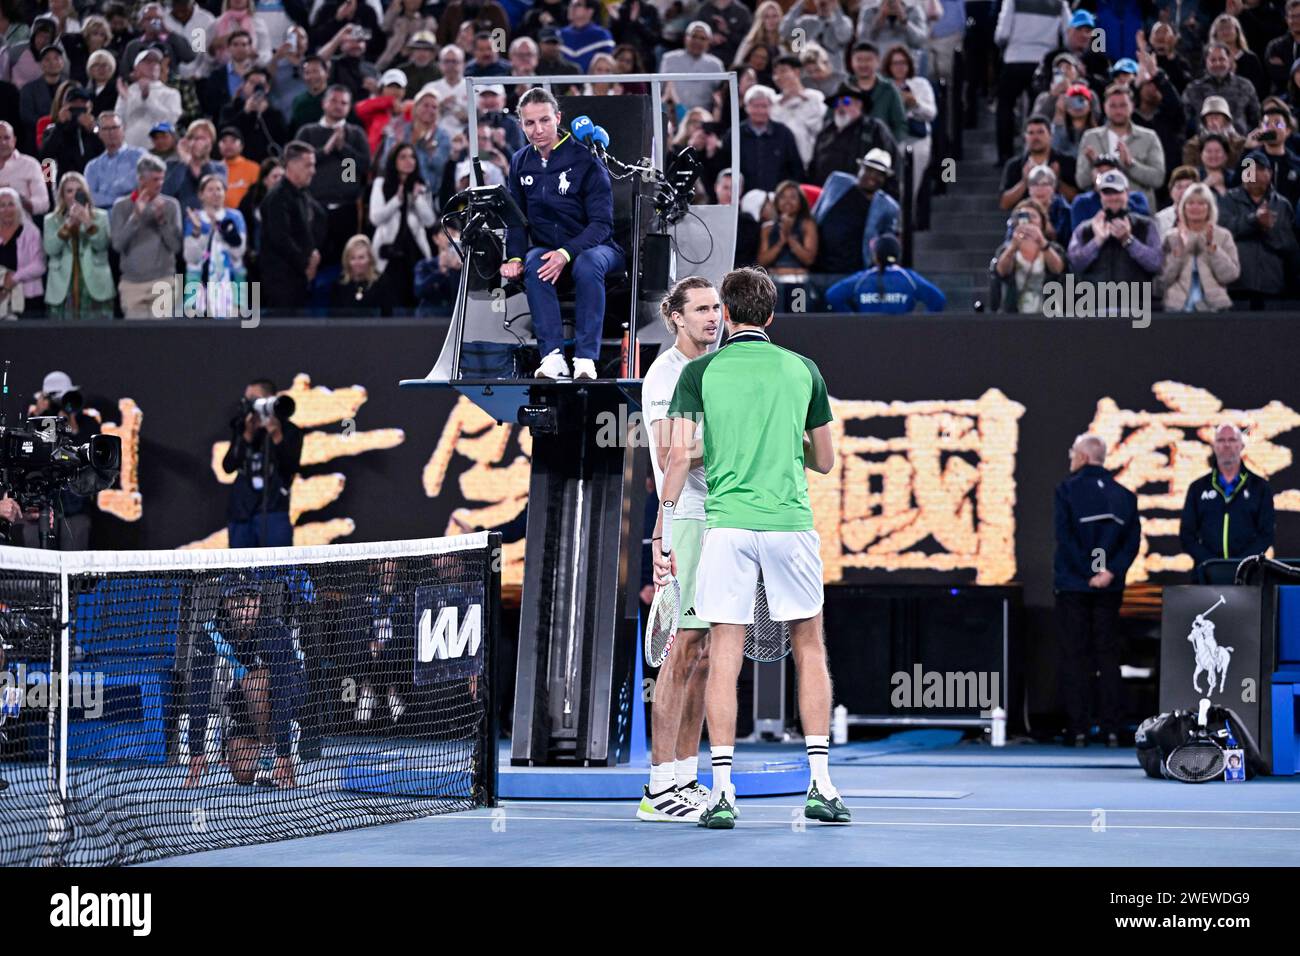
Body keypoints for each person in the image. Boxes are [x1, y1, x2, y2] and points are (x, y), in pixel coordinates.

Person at [656, 266, 847, 828]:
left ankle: (720, 793)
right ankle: (821, 784)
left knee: (724, 651)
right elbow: (825, 459)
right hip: (789, 524)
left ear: (731, 316)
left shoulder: (699, 373)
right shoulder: (803, 370)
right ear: (769, 316)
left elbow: (677, 457)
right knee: (809, 645)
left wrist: (663, 530)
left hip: (726, 528)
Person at [634, 276, 719, 822]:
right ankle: (657, 788)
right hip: (685, 519)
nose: (713, 317)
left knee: (705, 656)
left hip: (719, 520)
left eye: (717, 307)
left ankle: (686, 777)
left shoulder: (717, 367)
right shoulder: (666, 374)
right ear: (677, 318)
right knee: (680, 651)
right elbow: (672, 456)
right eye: (702, 309)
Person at [500, 87, 624, 381]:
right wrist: (514, 256)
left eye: (544, 120)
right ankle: (553, 357)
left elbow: (602, 225)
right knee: (533, 261)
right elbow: (516, 220)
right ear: (521, 124)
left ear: (557, 118)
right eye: (529, 123)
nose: (538, 130)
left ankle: (585, 359)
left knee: (587, 263)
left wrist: (566, 252)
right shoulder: (519, 161)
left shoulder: (586, 158)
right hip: (548, 250)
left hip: (598, 249)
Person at [1053, 433, 1140, 748]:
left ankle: (1078, 729)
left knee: (1076, 656)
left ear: (1085, 456)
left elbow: (1065, 536)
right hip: (1108, 587)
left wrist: (1088, 572)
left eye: (1073, 452)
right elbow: (1130, 542)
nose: (1070, 457)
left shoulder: (1067, 490)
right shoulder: (1124, 495)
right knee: (1107, 656)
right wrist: (1109, 571)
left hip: (1075, 585)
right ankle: (1112, 729)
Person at [183, 575, 303, 789]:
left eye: (253, 599)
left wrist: (283, 753)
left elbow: (281, 691)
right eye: (239, 601)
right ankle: (263, 742)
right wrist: (196, 750)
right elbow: (198, 693)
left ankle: (274, 747)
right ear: (227, 603)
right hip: (248, 701)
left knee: (254, 683)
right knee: (243, 774)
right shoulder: (211, 633)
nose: (247, 607)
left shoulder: (275, 633)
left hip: (290, 695)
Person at [1180, 423, 1276, 583]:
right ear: (1214, 446)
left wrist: (1240, 564)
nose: (1226, 445)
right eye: (1221, 440)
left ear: (1241, 445)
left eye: (1232, 440)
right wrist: (1211, 564)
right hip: (1206, 576)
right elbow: (1187, 535)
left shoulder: (1260, 487)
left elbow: (1266, 534)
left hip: (1248, 576)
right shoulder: (1198, 488)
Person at [296, 84, 369, 288]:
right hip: (313, 208)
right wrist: (325, 150)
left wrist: (343, 148)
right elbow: (297, 164)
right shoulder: (308, 132)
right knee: (313, 259)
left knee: (345, 262)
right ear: (324, 103)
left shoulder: (355, 134)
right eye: (334, 101)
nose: (338, 106)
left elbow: (362, 167)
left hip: (345, 209)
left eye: (344, 103)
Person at [223, 377, 302, 547]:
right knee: (242, 571)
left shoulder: (290, 431)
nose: (248, 403)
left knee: (279, 570)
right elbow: (228, 466)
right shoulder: (243, 427)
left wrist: (276, 436)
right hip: (241, 513)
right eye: (247, 399)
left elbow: (290, 468)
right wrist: (246, 436)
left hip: (273, 511)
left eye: (253, 399)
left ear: (270, 400)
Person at [1218, 149, 1300, 305]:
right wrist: (1253, 221)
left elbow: (1290, 247)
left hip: (1273, 286)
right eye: (1248, 169)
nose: (1253, 174)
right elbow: (1223, 231)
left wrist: (1268, 230)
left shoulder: (1282, 205)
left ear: (1270, 173)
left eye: (1259, 169)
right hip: (1237, 286)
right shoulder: (1227, 200)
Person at [994, 0, 1069, 165]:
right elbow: (1068, 33)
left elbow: (1002, 34)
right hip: (1043, 61)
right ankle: (1036, 153)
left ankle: (1004, 155)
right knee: (1040, 109)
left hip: (1014, 59)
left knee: (1005, 106)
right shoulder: (1059, 3)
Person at [110, 154, 183, 318]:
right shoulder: (121, 207)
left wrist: (162, 221)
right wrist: (135, 217)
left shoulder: (171, 206)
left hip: (164, 281)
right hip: (132, 285)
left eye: (162, 179)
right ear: (141, 180)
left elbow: (176, 247)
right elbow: (118, 245)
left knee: (163, 339)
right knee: (136, 341)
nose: (160, 184)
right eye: (155, 179)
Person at [1076, 84, 1166, 210]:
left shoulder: (1149, 137)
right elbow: (1081, 181)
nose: (1118, 111)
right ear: (1104, 107)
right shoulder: (1091, 137)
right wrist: (1095, 166)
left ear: (1132, 106)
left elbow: (1158, 179)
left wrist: (1131, 164)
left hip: (1138, 212)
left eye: (1123, 105)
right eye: (1113, 106)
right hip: (1099, 211)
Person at [811, 147, 899, 275]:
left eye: (879, 173)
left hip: (853, 272)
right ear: (860, 168)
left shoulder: (888, 207)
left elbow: (886, 243)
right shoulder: (837, 181)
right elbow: (816, 212)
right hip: (817, 265)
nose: (873, 176)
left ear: (885, 178)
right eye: (869, 170)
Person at [258, 139, 324, 310]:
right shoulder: (278, 197)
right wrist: (305, 264)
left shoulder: (302, 195)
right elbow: (280, 238)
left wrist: (313, 255)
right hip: (281, 281)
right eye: (308, 165)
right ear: (292, 165)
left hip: (297, 277)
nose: (313, 171)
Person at [1067, 169, 1162, 286]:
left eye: (1117, 192)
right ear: (1100, 195)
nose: (1112, 198)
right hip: (1094, 300)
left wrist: (1129, 241)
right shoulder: (1084, 228)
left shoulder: (1146, 225)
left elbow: (1156, 264)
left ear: (1127, 192)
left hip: (1135, 300)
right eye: (1107, 193)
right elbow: (1074, 265)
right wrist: (1097, 242)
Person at [369, 142, 434, 308]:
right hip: (390, 254)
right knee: (390, 302)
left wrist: (417, 198)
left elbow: (429, 221)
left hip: (415, 252)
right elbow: (375, 218)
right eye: (403, 157)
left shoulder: (421, 185)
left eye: (412, 157)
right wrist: (396, 201)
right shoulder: (381, 183)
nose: (409, 161)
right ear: (394, 161)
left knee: (414, 301)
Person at [1159, 182, 1240, 312]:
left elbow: (1230, 275)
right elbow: (1163, 280)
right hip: (1176, 308)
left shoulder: (1223, 235)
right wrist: (1179, 251)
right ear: (1183, 207)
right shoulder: (1171, 237)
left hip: (1215, 308)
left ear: (1210, 208)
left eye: (1201, 203)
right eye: (1190, 203)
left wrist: (1212, 248)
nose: (1195, 207)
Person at [44, 171, 113, 320]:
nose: (74, 195)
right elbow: (50, 249)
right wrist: (68, 226)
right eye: (69, 191)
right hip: (62, 287)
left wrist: (88, 222)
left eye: (78, 191)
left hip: (95, 284)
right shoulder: (51, 220)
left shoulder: (101, 216)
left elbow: (102, 245)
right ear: (62, 195)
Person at [825, 232, 945, 312]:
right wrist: (919, 325)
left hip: (866, 337)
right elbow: (938, 300)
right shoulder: (909, 278)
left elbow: (832, 295)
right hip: (902, 338)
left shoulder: (862, 279)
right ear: (898, 255)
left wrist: (852, 320)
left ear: (875, 256)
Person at [183, 173, 246, 318]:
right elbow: (191, 257)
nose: (215, 193)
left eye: (219, 189)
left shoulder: (235, 217)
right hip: (198, 286)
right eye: (210, 189)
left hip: (230, 285)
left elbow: (238, 252)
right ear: (201, 194)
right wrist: (199, 232)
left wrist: (218, 227)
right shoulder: (194, 219)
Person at [809, 85, 899, 184]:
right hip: (826, 192)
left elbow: (891, 164)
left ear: (859, 104)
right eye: (836, 103)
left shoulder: (874, 129)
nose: (840, 107)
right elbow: (814, 166)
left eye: (846, 102)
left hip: (860, 193)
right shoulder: (826, 131)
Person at [991, 199, 1066, 313]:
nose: (1029, 220)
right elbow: (1001, 271)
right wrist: (1013, 247)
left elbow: (1058, 269)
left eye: (1033, 216)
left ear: (1042, 222)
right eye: (1023, 216)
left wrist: (1042, 242)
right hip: (1015, 314)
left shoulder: (1054, 248)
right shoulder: (1006, 249)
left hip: (1049, 314)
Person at [884, 44, 936, 205]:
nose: (899, 67)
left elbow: (931, 114)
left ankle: (906, 217)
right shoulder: (884, 86)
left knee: (911, 180)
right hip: (893, 137)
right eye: (895, 63)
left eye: (903, 63)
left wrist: (914, 104)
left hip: (917, 137)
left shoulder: (921, 84)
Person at [735, 85, 804, 194]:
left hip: (777, 198)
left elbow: (796, 169)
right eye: (756, 106)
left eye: (764, 106)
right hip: (744, 197)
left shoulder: (784, 133)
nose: (760, 111)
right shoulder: (735, 134)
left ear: (771, 107)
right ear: (747, 107)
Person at [1002, 113, 1078, 211]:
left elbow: (1077, 200)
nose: (1036, 137)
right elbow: (1004, 204)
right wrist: (1024, 182)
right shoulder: (1014, 166)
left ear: (1051, 135)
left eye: (1040, 132)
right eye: (1031, 133)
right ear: (1025, 137)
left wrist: (1057, 181)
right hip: (1025, 220)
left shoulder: (1067, 162)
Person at [1183, 43, 1260, 137]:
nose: (1217, 63)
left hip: (1240, 144)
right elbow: (1185, 120)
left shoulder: (1245, 85)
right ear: (1206, 62)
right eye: (1213, 60)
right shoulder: (1193, 89)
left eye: (1222, 59)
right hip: (1205, 146)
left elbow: (1256, 118)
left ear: (1229, 60)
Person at [117, 47, 183, 149]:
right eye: (147, 62)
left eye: (156, 62)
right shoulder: (127, 92)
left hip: (159, 151)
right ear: (136, 67)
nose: (153, 65)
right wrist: (128, 99)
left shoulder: (171, 93)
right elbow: (119, 120)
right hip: (130, 148)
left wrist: (147, 98)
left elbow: (170, 120)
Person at [1068, 155, 1152, 233]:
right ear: (1092, 175)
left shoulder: (1137, 199)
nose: (1105, 177)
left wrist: (1123, 201)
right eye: (1100, 172)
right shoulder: (1082, 202)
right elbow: (1078, 236)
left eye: (1109, 172)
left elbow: (1146, 228)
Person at [844, 41, 907, 142]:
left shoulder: (889, 89)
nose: (863, 64)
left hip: (881, 151)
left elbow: (900, 124)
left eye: (868, 59)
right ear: (851, 62)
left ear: (878, 61)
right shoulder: (844, 88)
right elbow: (830, 121)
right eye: (859, 59)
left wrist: (890, 147)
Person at [769, 54, 824, 167]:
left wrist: (801, 98)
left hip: (810, 160)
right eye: (775, 73)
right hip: (780, 162)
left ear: (797, 72)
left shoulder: (814, 97)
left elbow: (819, 127)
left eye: (783, 71)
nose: (778, 77)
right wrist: (783, 102)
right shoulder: (774, 102)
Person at [163, 118, 227, 213]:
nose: (195, 142)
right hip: (180, 222)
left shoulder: (220, 168)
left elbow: (213, 189)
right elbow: (166, 193)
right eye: (192, 138)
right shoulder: (172, 166)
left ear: (211, 142)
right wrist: (184, 162)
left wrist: (200, 161)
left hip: (208, 222)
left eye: (201, 138)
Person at [661, 21, 725, 114]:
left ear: (709, 41)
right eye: (693, 36)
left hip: (704, 118)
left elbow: (720, 95)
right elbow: (661, 90)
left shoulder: (716, 64)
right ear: (685, 38)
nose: (697, 41)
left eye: (702, 38)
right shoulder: (669, 59)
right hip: (672, 116)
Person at [39, 84, 102, 176]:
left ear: (90, 106)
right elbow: (46, 157)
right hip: (65, 180)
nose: (78, 105)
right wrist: (60, 126)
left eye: (83, 102)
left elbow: (108, 151)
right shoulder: (53, 129)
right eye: (74, 102)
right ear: (64, 106)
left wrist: (93, 130)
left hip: (94, 178)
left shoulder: (99, 127)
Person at [84, 110, 142, 209]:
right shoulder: (92, 166)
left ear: (123, 130)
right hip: (102, 216)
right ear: (100, 134)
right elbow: (90, 198)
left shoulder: (139, 157)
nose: (110, 133)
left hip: (132, 212)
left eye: (115, 127)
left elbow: (142, 189)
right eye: (105, 129)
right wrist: (121, 197)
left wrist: (106, 197)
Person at [0, 186, 44, 318]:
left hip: (28, 297)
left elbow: (39, 265)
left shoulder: (31, 231)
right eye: (2, 205)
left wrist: (14, 278)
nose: (7, 209)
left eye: (11, 204)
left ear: (18, 207)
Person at [757, 179, 817, 275]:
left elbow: (809, 260)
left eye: (793, 197)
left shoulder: (808, 225)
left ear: (800, 201)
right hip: (774, 280)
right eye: (782, 197)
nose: (787, 201)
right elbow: (762, 262)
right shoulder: (767, 228)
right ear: (777, 201)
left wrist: (789, 237)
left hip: (799, 281)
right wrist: (781, 242)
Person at [331, 232, 393, 315]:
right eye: (352, 258)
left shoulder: (382, 282)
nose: (357, 263)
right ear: (347, 261)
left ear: (370, 258)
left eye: (361, 258)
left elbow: (388, 316)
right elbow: (334, 318)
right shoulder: (339, 283)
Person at [1182, 96, 1247, 170]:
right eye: (1209, 117)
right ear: (1204, 121)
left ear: (1226, 120)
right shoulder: (1193, 145)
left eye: (1217, 117)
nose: (1213, 122)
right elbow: (1190, 172)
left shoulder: (1241, 144)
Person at [0, 122, 50, 217]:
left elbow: (43, 204)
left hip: (22, 227)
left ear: (14, 140)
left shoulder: (30, 165)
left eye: (6, 138)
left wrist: (16, 197)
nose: (3, 142)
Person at [1156, 165, 1201, 235]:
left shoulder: (1204, 216)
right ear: (1171, 191)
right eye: (1179, 187)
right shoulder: (1159, 219)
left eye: (1188, 187)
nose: (1183, 191)